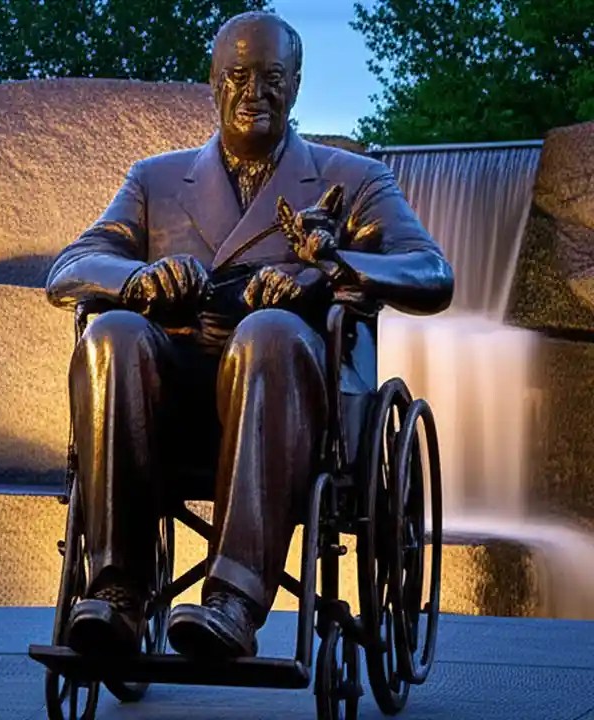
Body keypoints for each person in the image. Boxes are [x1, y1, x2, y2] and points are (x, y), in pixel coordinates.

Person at [45, 10, 454, 661]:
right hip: (168, 404)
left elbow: (430, 274)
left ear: (295, 84)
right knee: (112, 335)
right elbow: (70, 267)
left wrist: (327, 272)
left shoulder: (353, 179)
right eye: (238, 76)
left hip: (291, 406)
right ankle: (118, 591)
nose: (254, 92)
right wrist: (141, 280)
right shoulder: (155, 179)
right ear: (213, 83)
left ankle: (232, 600)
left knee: (269, 332)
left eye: (271, 77)